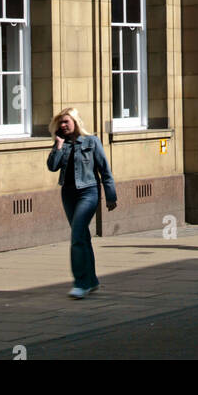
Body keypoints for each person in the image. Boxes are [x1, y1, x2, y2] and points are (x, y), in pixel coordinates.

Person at [47, 106, 117, 298]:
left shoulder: (92, 141)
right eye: (60, 122)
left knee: (77, 235)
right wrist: (58, 146)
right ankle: (91, 280)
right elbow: (52, 167)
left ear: (75, 122)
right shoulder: (61, 144)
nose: (63, 125)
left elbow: (104, 169)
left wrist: (111, 195)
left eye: (66, 121)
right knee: (82, 237)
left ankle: (80, 283)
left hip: (89, 192)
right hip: (68, 194)